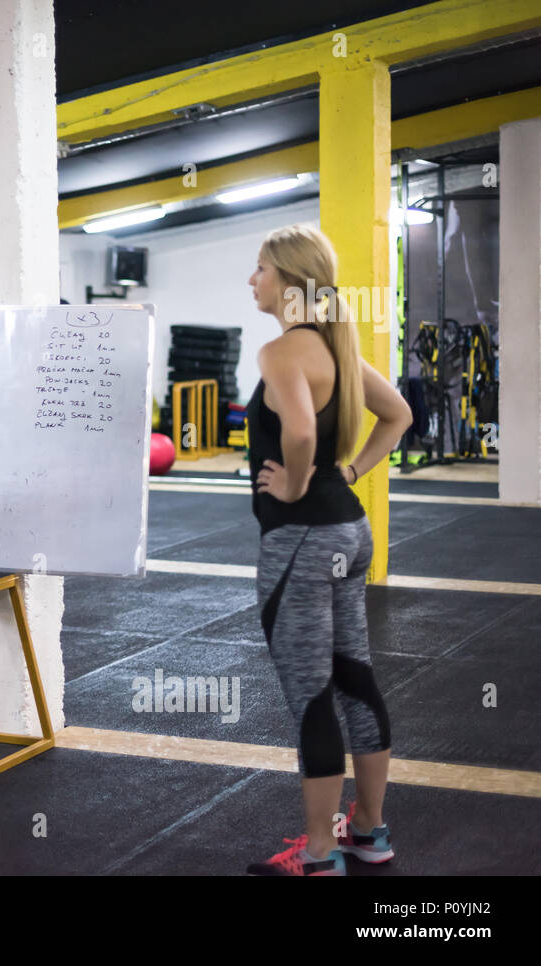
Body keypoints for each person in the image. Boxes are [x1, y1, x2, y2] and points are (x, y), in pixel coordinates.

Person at [243, 224, 411, 876]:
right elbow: (398, 415)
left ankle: (317, 853)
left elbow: (303, 433)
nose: (251, 280)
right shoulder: (338, 350)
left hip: (300, 544)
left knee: (311, 696)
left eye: (259, 269)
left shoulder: (282, 352)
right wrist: (353, 472)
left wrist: (293, 482)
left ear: (286, 279)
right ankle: (369, 830)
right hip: (349, 532)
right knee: (355, 680)